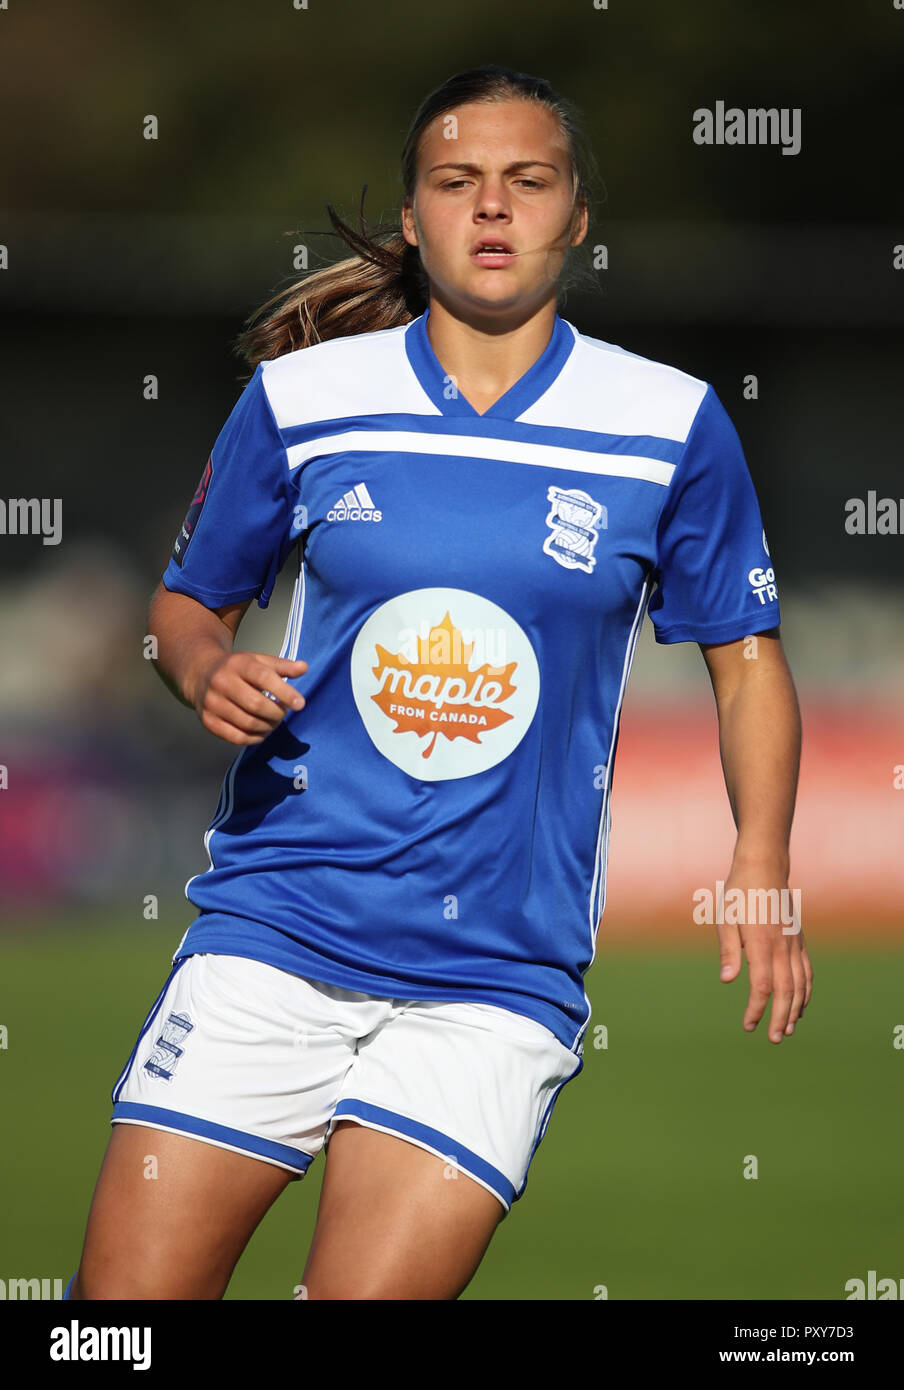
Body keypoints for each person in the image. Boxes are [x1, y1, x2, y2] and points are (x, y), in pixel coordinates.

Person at [64, 62, 812, 1302]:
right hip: (274, 938)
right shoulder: (303, 400)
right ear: (413, 218)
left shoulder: (667, 421)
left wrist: (761, 862)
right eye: (457, 183)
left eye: (529, 182)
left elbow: (745, 658)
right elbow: (188, 602)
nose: (493, 209)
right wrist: (203, 670)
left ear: (577, 216)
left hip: (494, 985)